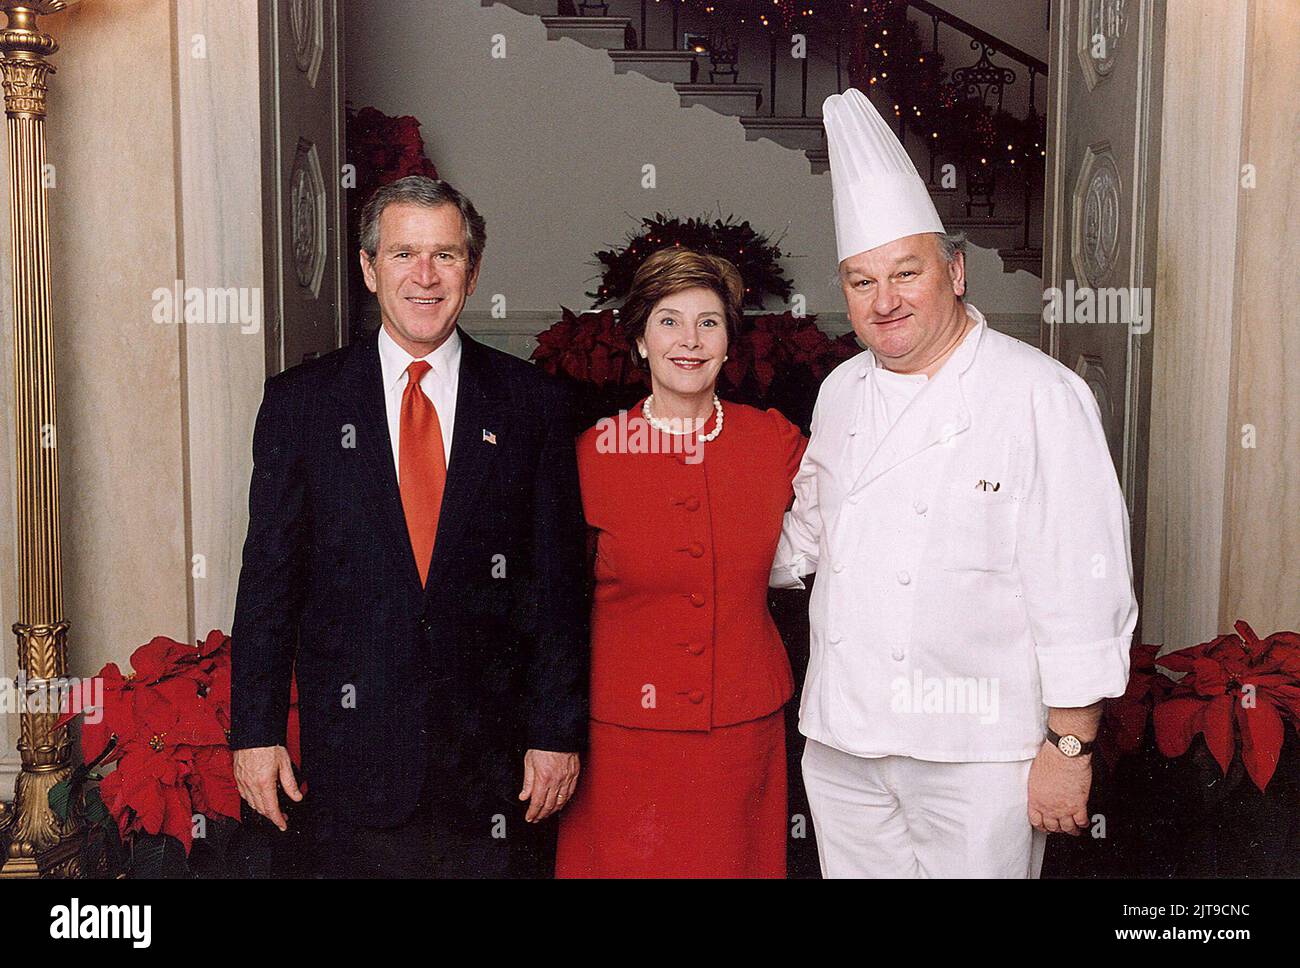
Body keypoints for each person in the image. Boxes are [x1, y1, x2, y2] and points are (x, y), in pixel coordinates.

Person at [770, 89, 1137, 878]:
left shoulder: (1038, 394)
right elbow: (802, 538)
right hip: (845, 739)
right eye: (862, 282)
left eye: (907, 272)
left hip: (978, 753)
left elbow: (1081, 579)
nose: (886, 300)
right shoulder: (839, 391)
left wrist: (1069, 746)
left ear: (956, 271)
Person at [229, 175, 589, 878]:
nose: (425, 277)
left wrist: (556, 733)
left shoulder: (531, 405)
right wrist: (256, 731)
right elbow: (269, 579)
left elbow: (559, 590)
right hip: (346, 768)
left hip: (495, 771)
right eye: (403, 255)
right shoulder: (300, 404)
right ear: (368, 269)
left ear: (473, 270)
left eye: (446, 256)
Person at [555, 247, 806, 878]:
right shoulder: (592, 454)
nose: (688, 341)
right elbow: (553, 609)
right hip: (623, 742)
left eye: (709, 323)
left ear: (729, 342)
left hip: (742, 736)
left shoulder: (774, 441)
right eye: (668, 321)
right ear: (639, 340)